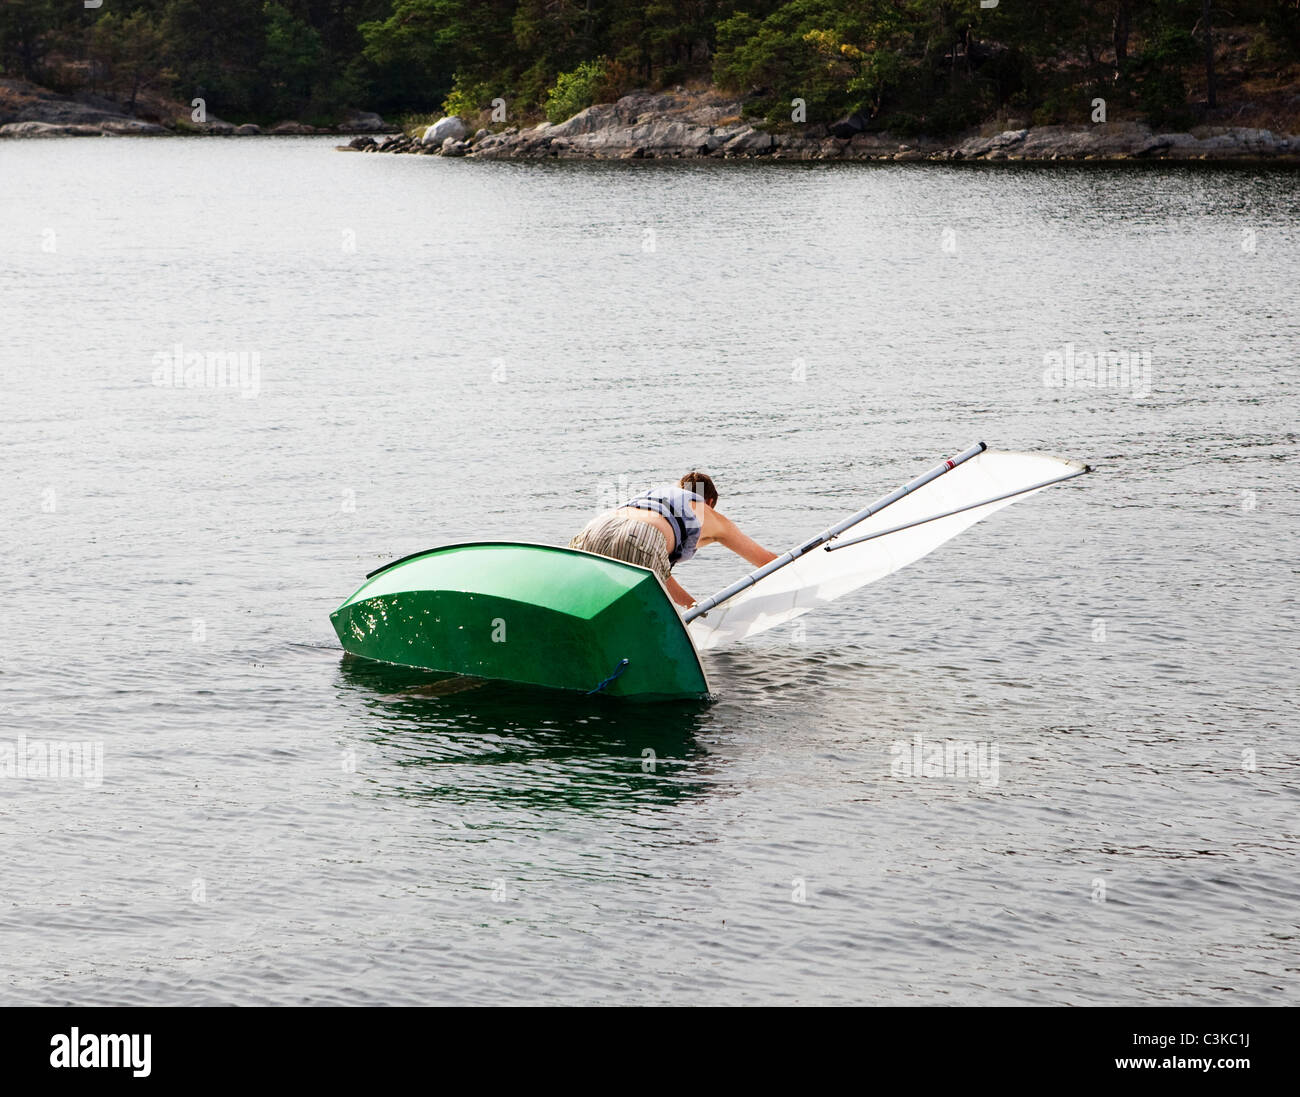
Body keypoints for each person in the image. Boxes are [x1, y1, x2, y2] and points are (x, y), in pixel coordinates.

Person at [568, 471, 777, 610]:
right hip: (642, 535)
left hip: (596, 527)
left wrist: (694, 607)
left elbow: (661, 576)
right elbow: (768, 562)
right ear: (710, 501)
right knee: (646, 614)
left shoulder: (654, 496)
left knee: (587, 602)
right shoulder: (708, 514)